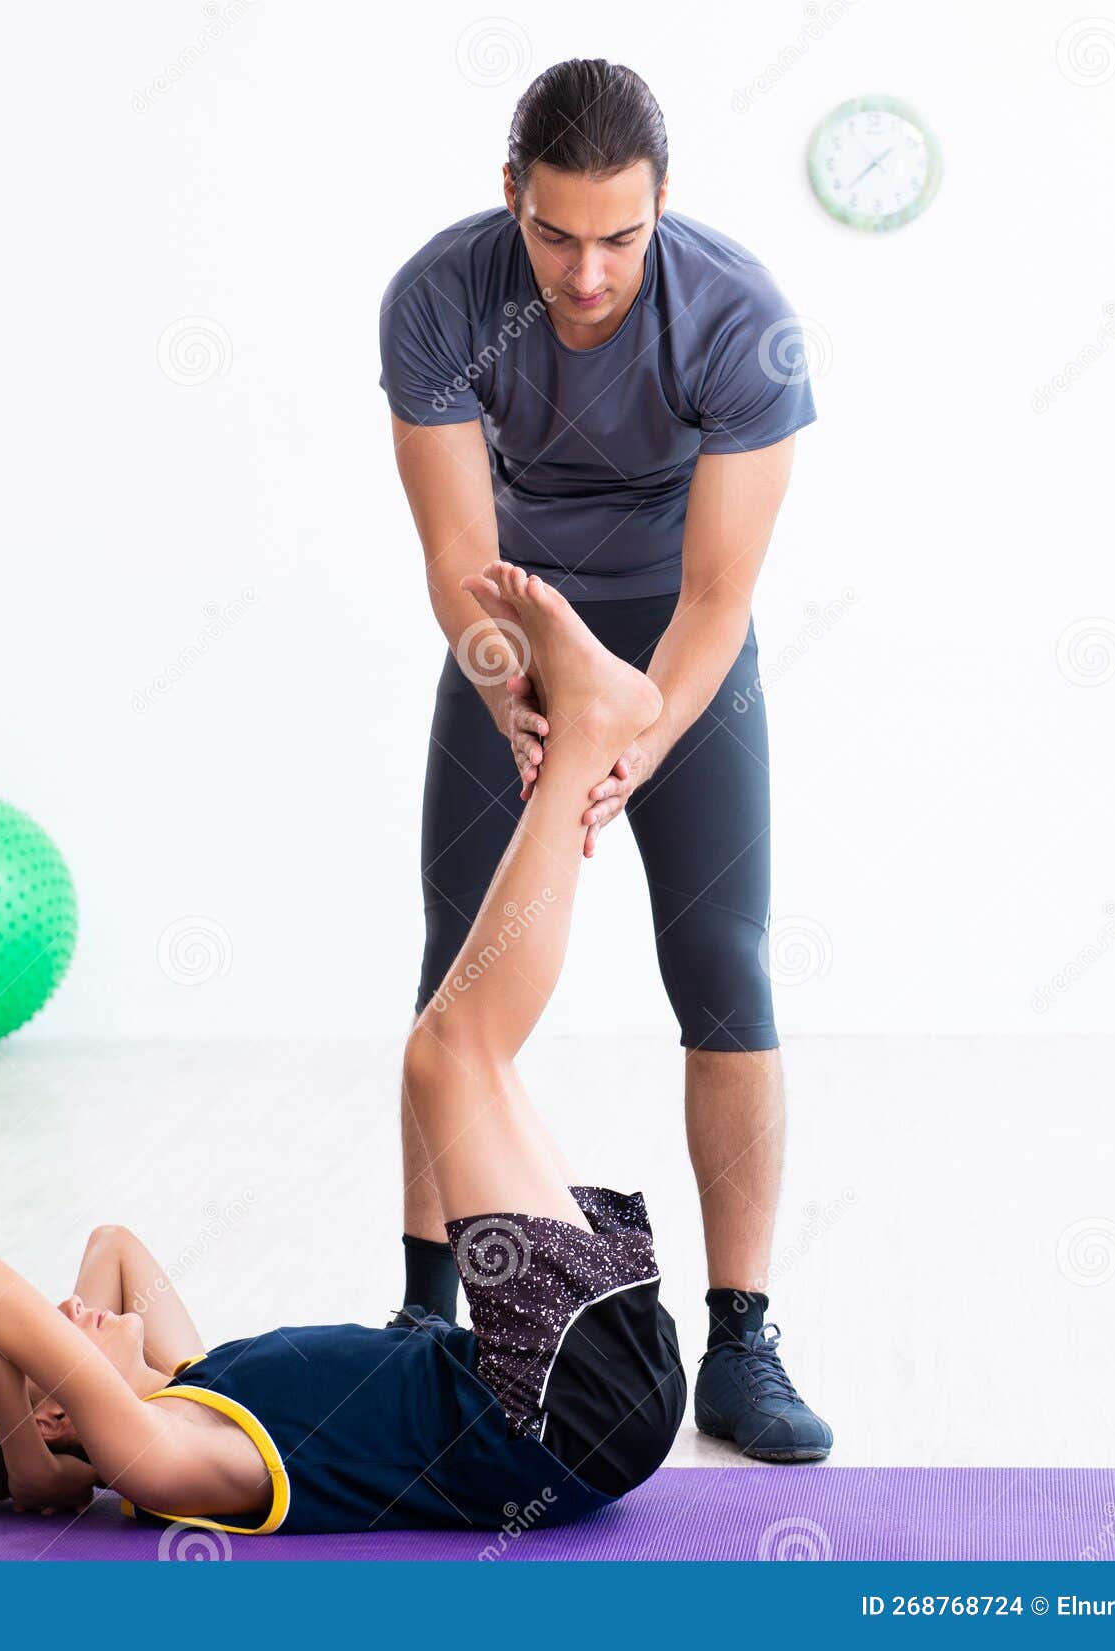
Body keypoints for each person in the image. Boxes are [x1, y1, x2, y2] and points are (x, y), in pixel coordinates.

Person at [0, 565, 686, 1535]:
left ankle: (588, 727)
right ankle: (584, 735)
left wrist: (84, 1358)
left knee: (458, 1059)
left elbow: (112, 1244)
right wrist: (33, 1462)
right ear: (51, 1411)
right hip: (559, 1413)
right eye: (55, 1333)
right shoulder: (168, 1456)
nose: (70, 1310)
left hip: (574, 1386)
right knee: (447, 1057)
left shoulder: (189, 1383)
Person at [379, 58, 831, 1460]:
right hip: (512, 634)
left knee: (725, 966)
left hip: (675, 646)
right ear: (510, 196)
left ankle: (741, 1339)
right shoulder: (439, 296)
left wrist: (632, 737)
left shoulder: (740, 318)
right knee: (455, 967)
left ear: (664, 202)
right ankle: (426, 1317)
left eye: (620, 238)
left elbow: (717, 595)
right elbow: (458, 555)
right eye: (556, 235)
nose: (586, 275)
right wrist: (516, 694)